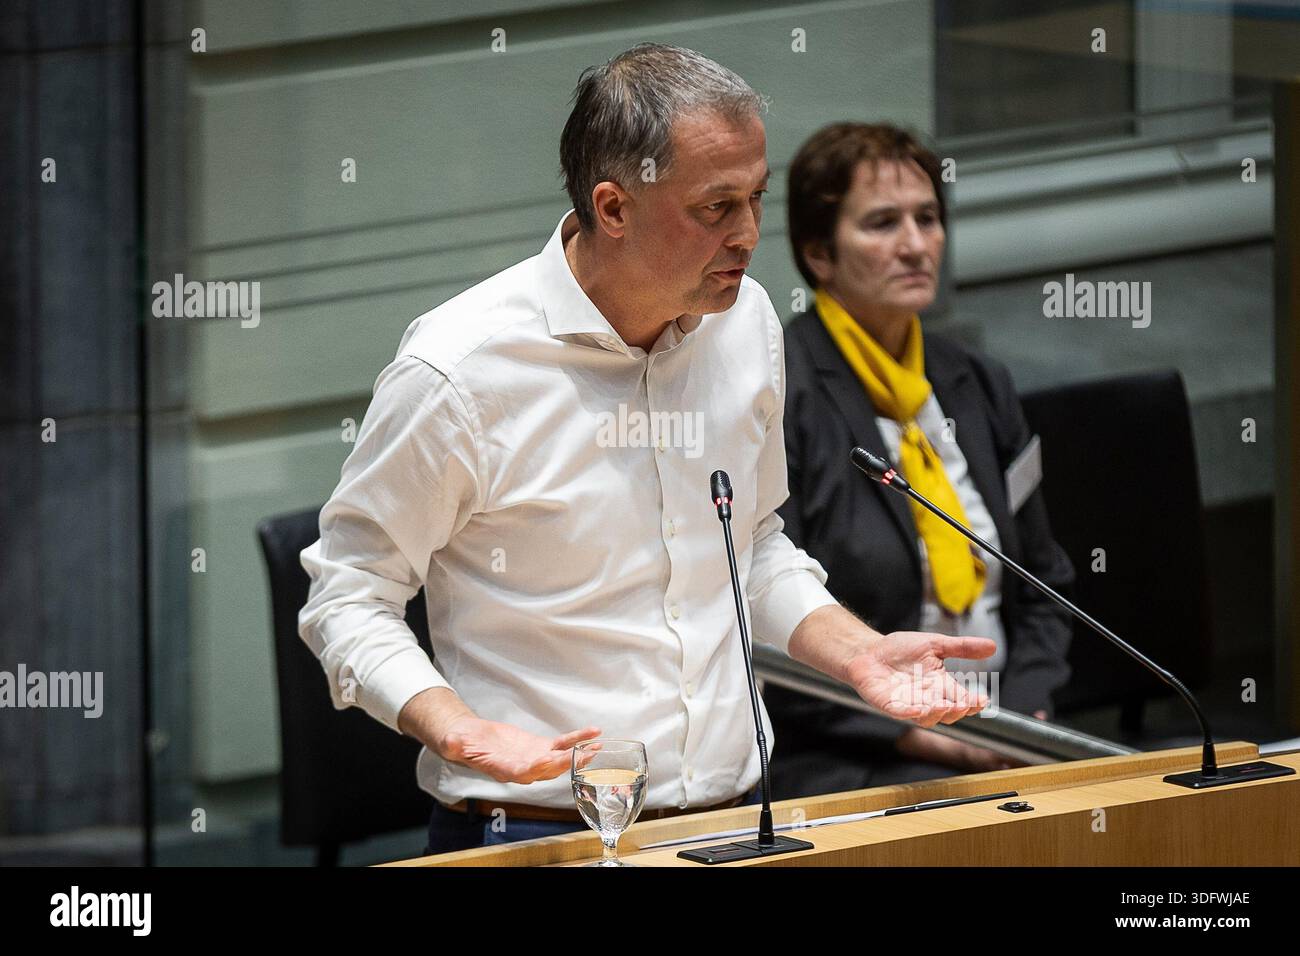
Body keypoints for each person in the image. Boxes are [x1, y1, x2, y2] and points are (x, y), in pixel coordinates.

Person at [298, 49, 995, 858]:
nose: (747, 234)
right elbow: (348, 596)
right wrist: (454, 727)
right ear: (614, 207)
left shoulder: (749, 322)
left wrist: (859, 653)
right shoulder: (460, 371)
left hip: (740, 824)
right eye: (715, 207)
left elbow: (753, 547)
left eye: (756, 198)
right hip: (534, 831)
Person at [765, 122, 1074, 799]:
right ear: (819, 254)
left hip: (1009, 730)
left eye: (927, 218)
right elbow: (768, 624)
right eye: (882, 224)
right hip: (857, 752)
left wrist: (1023, 717)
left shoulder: (977, 382)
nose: (915, 244)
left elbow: (1045, 581)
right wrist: (915, 732)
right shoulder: (782, 395)